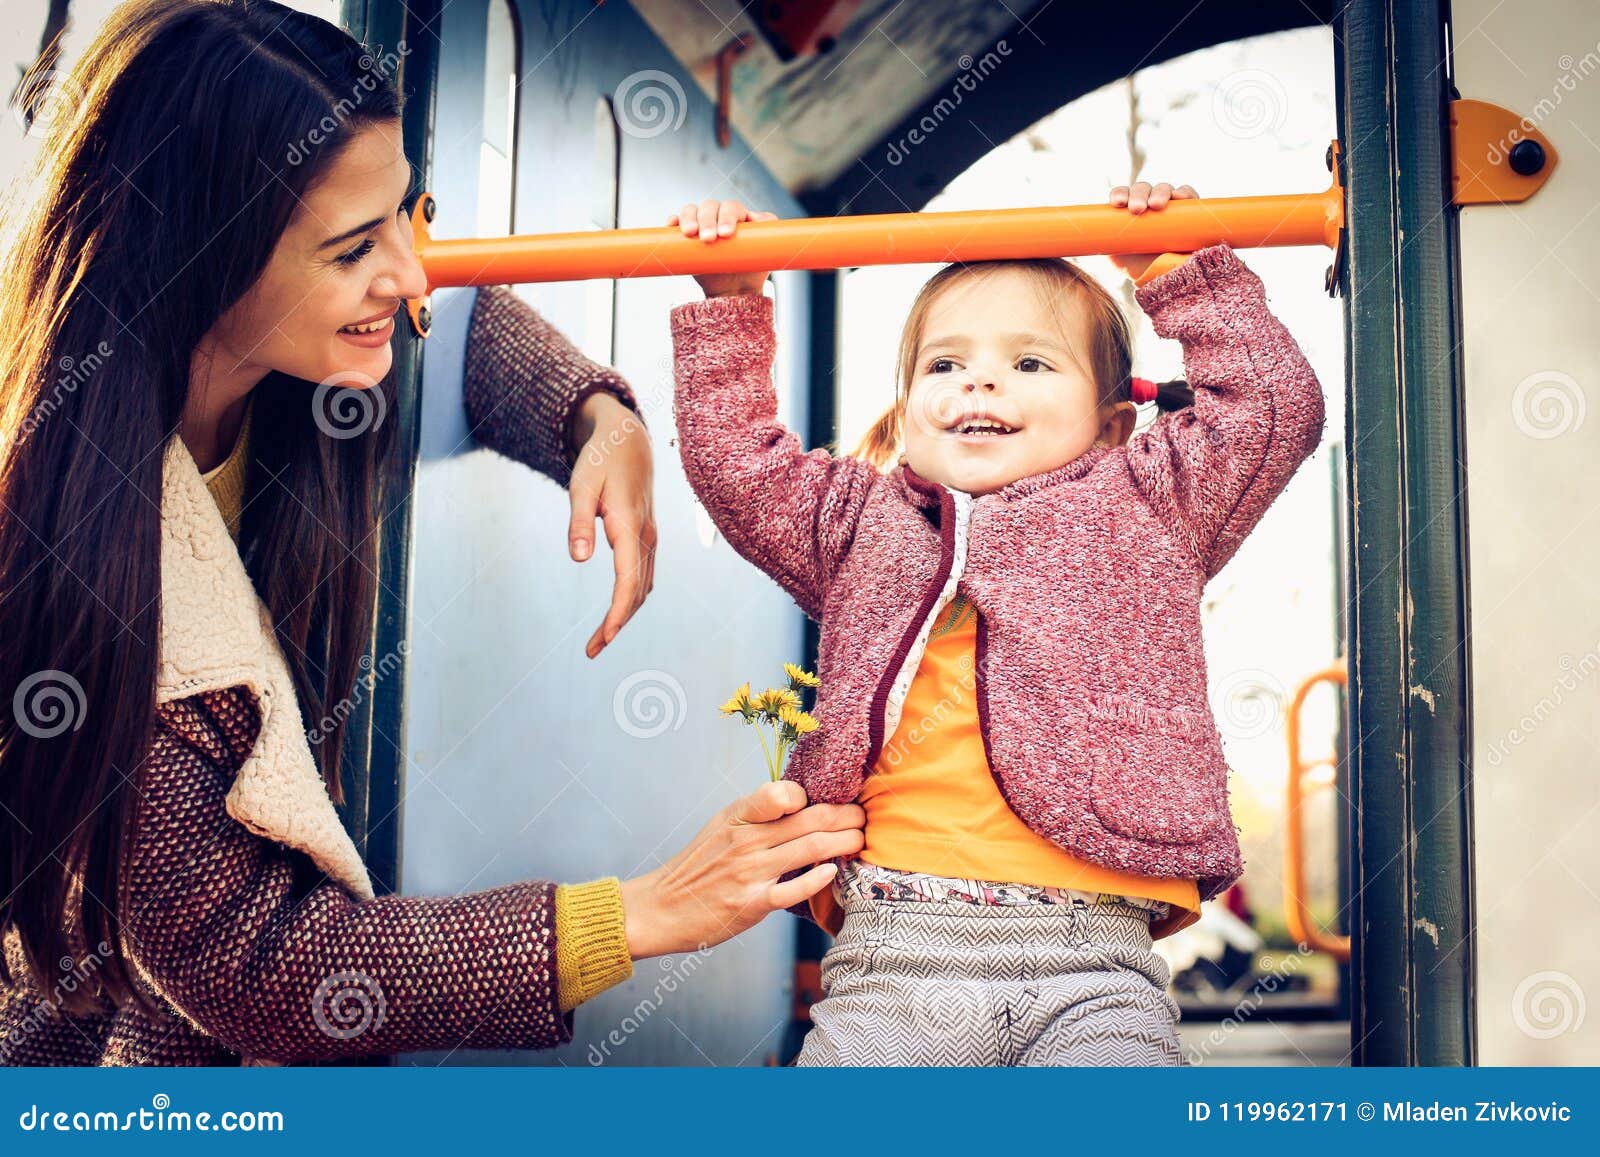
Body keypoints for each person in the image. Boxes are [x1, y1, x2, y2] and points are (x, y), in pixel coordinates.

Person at [0, 0, 863, 1067]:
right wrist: (644, 912)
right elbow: (263, 971)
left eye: (408, 213)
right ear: (197, 254)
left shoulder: (299, 366)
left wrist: (598, 417)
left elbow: (453, 328)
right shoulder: (51, 557)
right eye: (357, 245)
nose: (411, 268)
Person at [665, 183, 1326, 1066]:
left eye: (1031, 363)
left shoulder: (1149, 501)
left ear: (1111, 421)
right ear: (906, 414)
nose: (977, 379)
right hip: (891, 959)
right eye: (943, 364)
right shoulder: (862, 522)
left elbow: (1271, 412)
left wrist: (1173, 269)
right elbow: (736, 466)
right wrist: (733, 303)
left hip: (1096, 967)